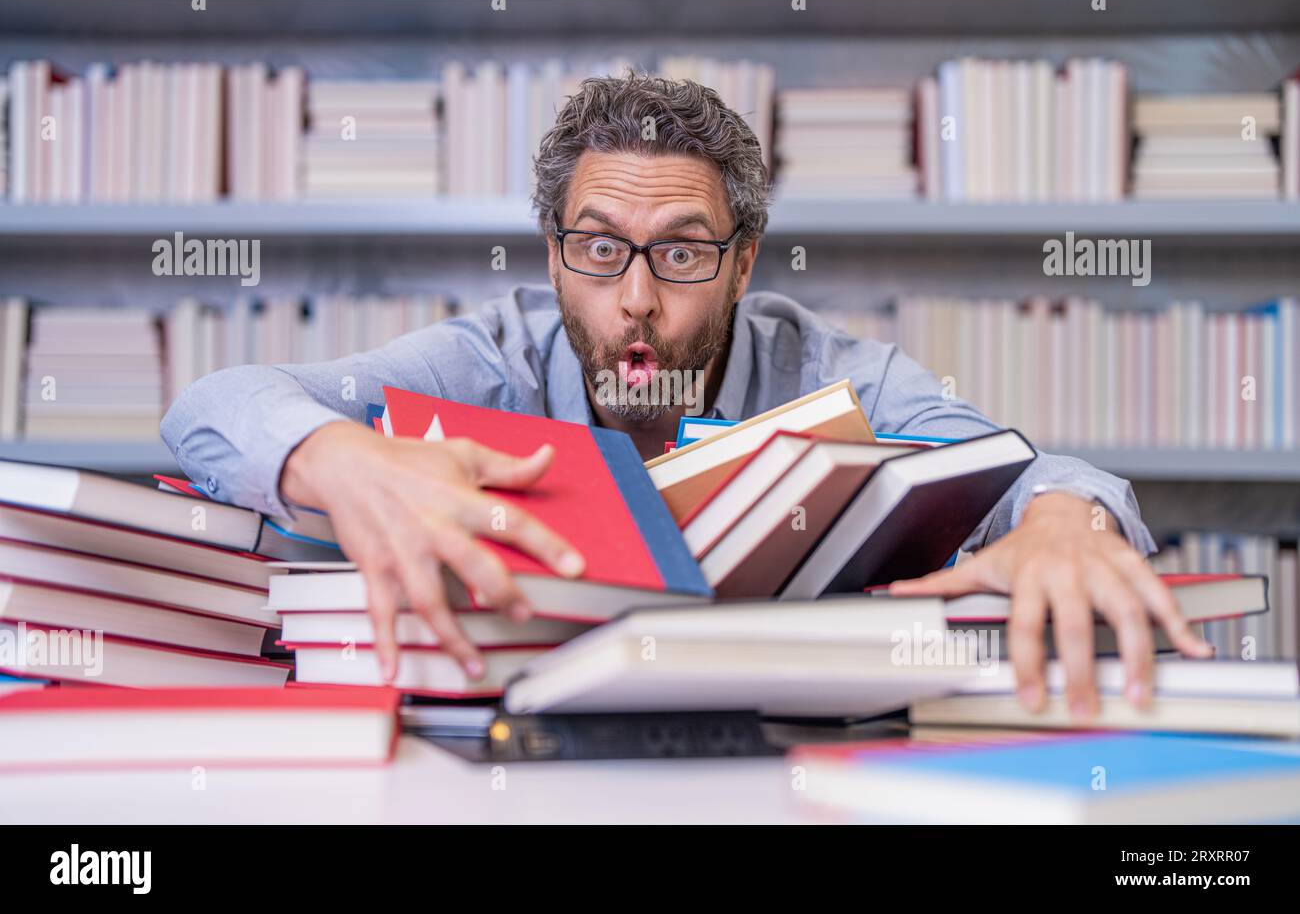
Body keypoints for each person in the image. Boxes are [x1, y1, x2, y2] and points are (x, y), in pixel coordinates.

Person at [162, 72, 1211, 719]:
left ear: (744, 262)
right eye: (600, 248)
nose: (635, 301)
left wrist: (1067, 522)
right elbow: (213, 403)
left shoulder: (834, 375)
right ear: (554, 252)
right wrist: (335, 457)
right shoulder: (490, 357)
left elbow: (1027, 473)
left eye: (682, 253)